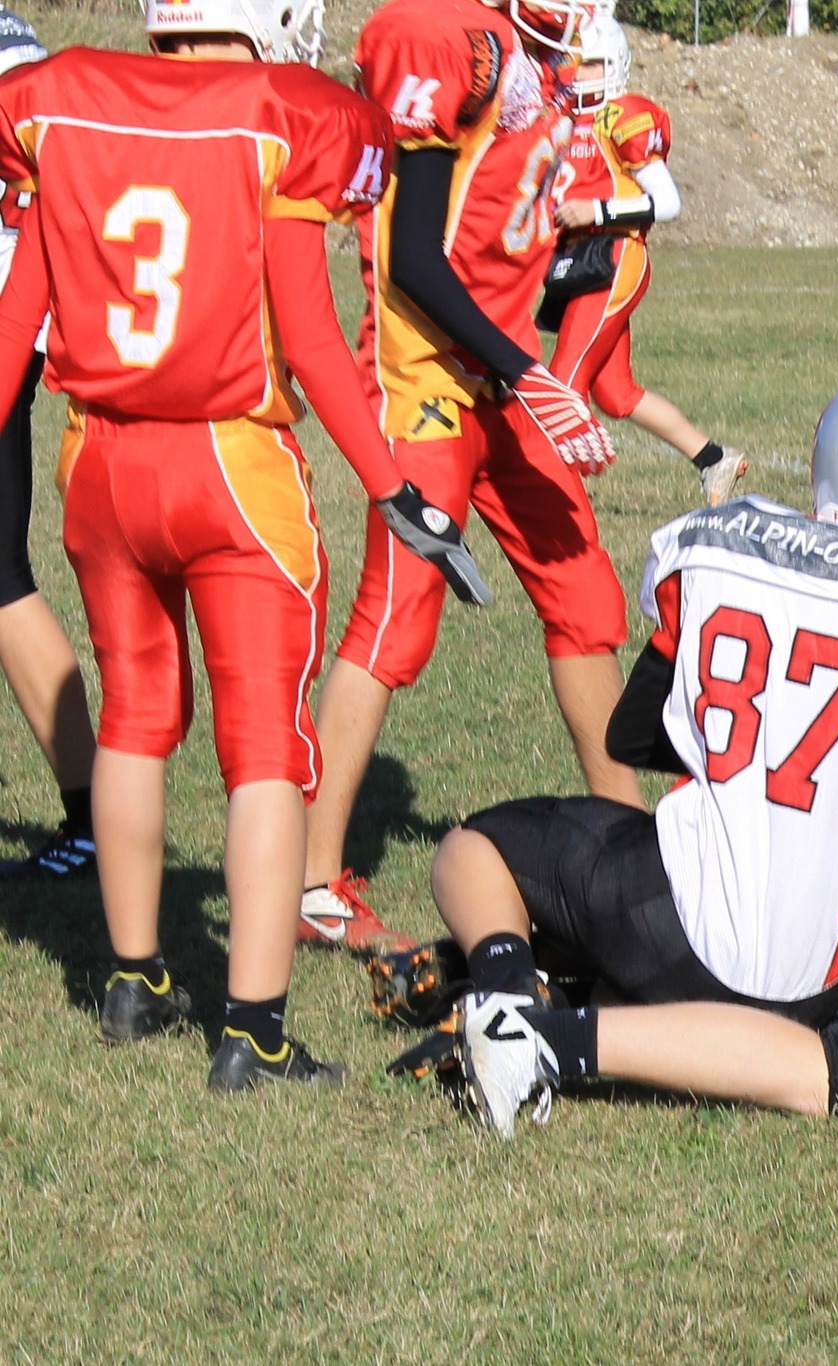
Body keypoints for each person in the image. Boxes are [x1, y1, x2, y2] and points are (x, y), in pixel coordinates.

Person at [390, 369, 838, 1134]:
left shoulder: (720, 545)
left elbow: (633, 732)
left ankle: (509, 981)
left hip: (661, 925)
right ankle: (538, 1012)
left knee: (475, 847)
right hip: (820, 977)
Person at [0, 0, 483, 1088]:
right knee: (263, 739)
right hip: (227, 460)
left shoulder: (61, 102)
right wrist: (391, 482)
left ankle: (134, 978)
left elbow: (18, 308)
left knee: (131, 713)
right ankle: (253, 1031)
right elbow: (310, 331)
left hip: (97, 461)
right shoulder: (284, 116)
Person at [302, 0, 639, 951]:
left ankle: (630, 845)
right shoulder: (443, 33)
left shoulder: (544, 53)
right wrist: (525, 368)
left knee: (584, 593)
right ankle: (310, 882)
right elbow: (412, 257)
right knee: (398, 611)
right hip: (427, 370)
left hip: (497, 369)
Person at [545, 13, 749, 505]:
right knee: (614, 393)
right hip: (585, 261)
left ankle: (556, 502)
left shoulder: (622, 116)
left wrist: (596, 209)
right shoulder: (568, 120)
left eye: (590, 64)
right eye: (574, 63)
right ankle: (714, 458)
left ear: (613, 65)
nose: (578, 73)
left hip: (617, 255)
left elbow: (670, 202)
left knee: (563, 384)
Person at [0, 9, 96, 882]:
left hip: (7, 319)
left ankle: (90, 813)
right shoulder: (22, 39)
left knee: (0, 578)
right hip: (23, 316)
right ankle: (90, 813)